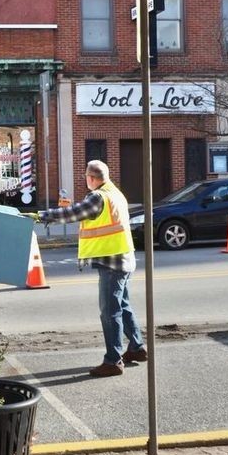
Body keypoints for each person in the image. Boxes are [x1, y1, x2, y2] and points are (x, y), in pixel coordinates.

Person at [36, 160, 147, 377]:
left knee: (110, 311)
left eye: (86, 177)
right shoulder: (115, 192)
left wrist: (44, 216)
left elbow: (74, 213)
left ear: (91, 178)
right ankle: (137, 347)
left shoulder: (98, 196)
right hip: (125, 257)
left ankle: (113, 361)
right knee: (122, 306)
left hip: (112, 261)